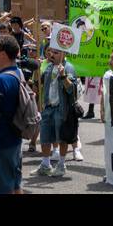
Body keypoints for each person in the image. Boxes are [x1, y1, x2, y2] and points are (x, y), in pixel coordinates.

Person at [0, 35, 28, 195]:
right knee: (15, 185)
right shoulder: (18, 73)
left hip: (1, 140)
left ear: (3, 54)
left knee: (1, 187)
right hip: (15, 137)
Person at [37, 47, 79, 177]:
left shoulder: (68, 67)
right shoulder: (49, 67)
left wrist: (63, 75)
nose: (52, 54)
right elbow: (41, 85)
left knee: (61, 138)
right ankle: (45, 165)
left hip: (61, 108)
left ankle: (61, 165)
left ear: (64, 53)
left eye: (56, 52)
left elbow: (71, 89)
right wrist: (37, 70)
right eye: (51, 52)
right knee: (45, 137)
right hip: (48, 106)